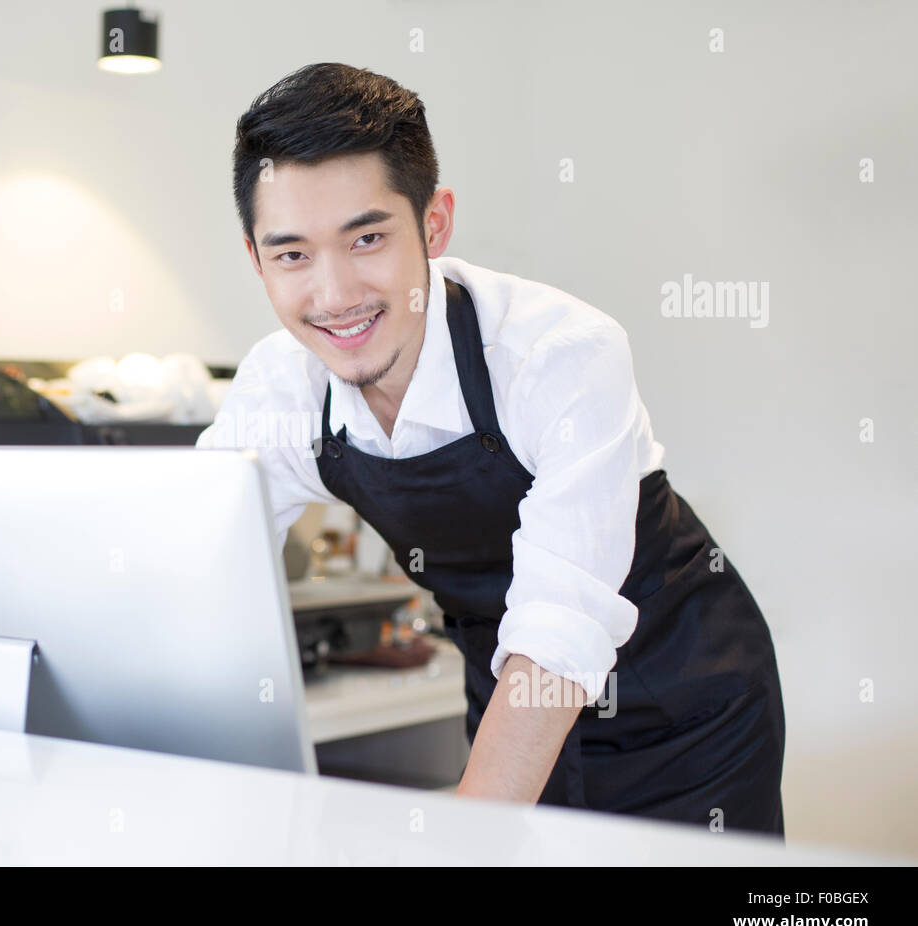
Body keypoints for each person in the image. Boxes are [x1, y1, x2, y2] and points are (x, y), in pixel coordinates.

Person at [196, 62, 785, 836]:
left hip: (684, 709)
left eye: (366, 238)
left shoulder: (560, 354)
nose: (334, 296)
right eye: (293, 254)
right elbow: (197, 562)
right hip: (506, 697)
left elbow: (559, 623)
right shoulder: (284, 386)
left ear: (433, 224)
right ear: (255, 258)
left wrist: (462, 843)